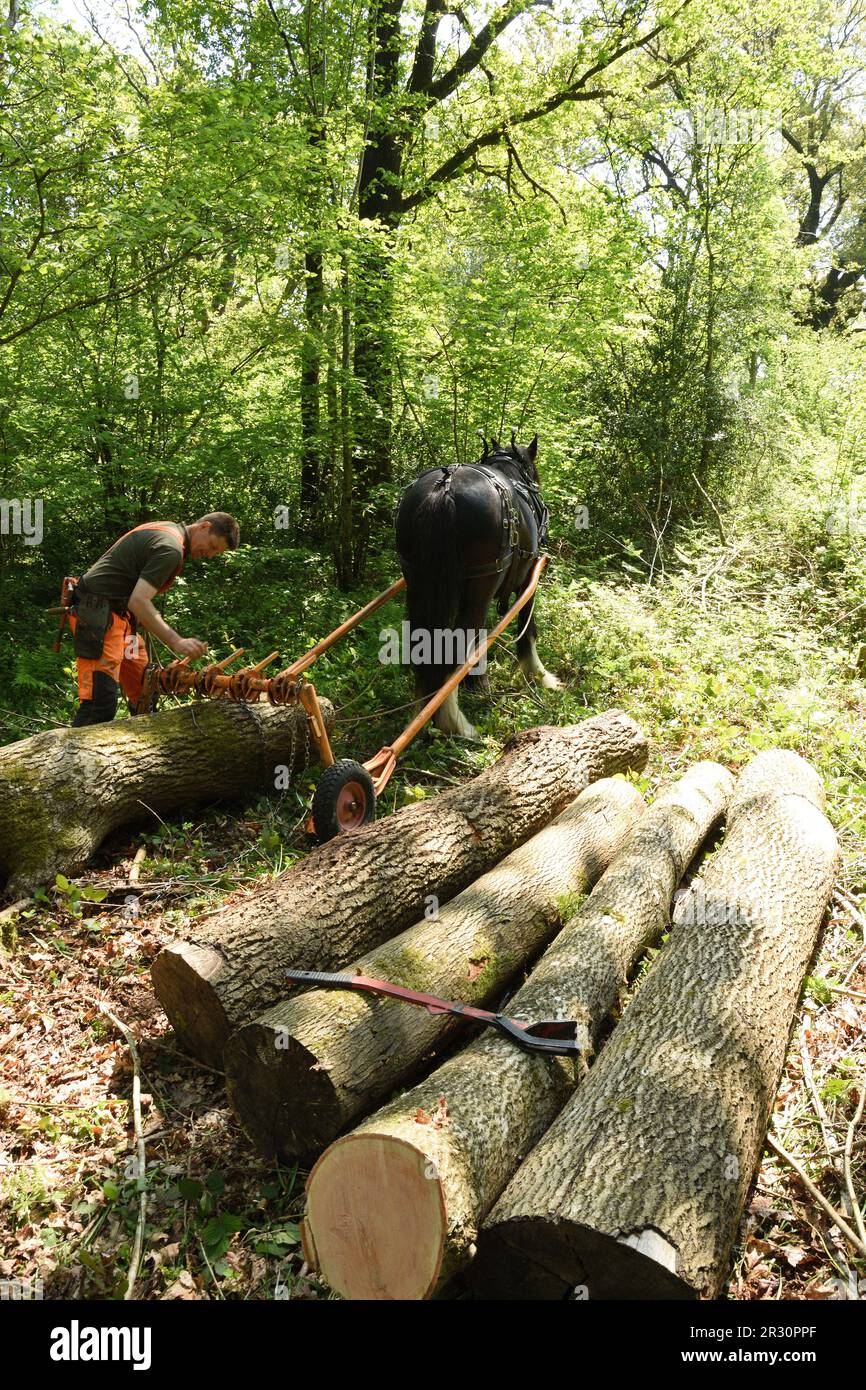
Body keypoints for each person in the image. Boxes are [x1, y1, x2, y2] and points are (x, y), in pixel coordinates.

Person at [67, 512, 239, 726]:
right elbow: (138, 601)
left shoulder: (169, 530)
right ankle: (77, 757)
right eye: (213, 546)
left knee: (145, 691)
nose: (210, 554)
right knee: (98, 706)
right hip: (97, 617)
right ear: (204, 527)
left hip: (121, 621)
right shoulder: (171, 548)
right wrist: (176, 641)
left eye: (216, 553)